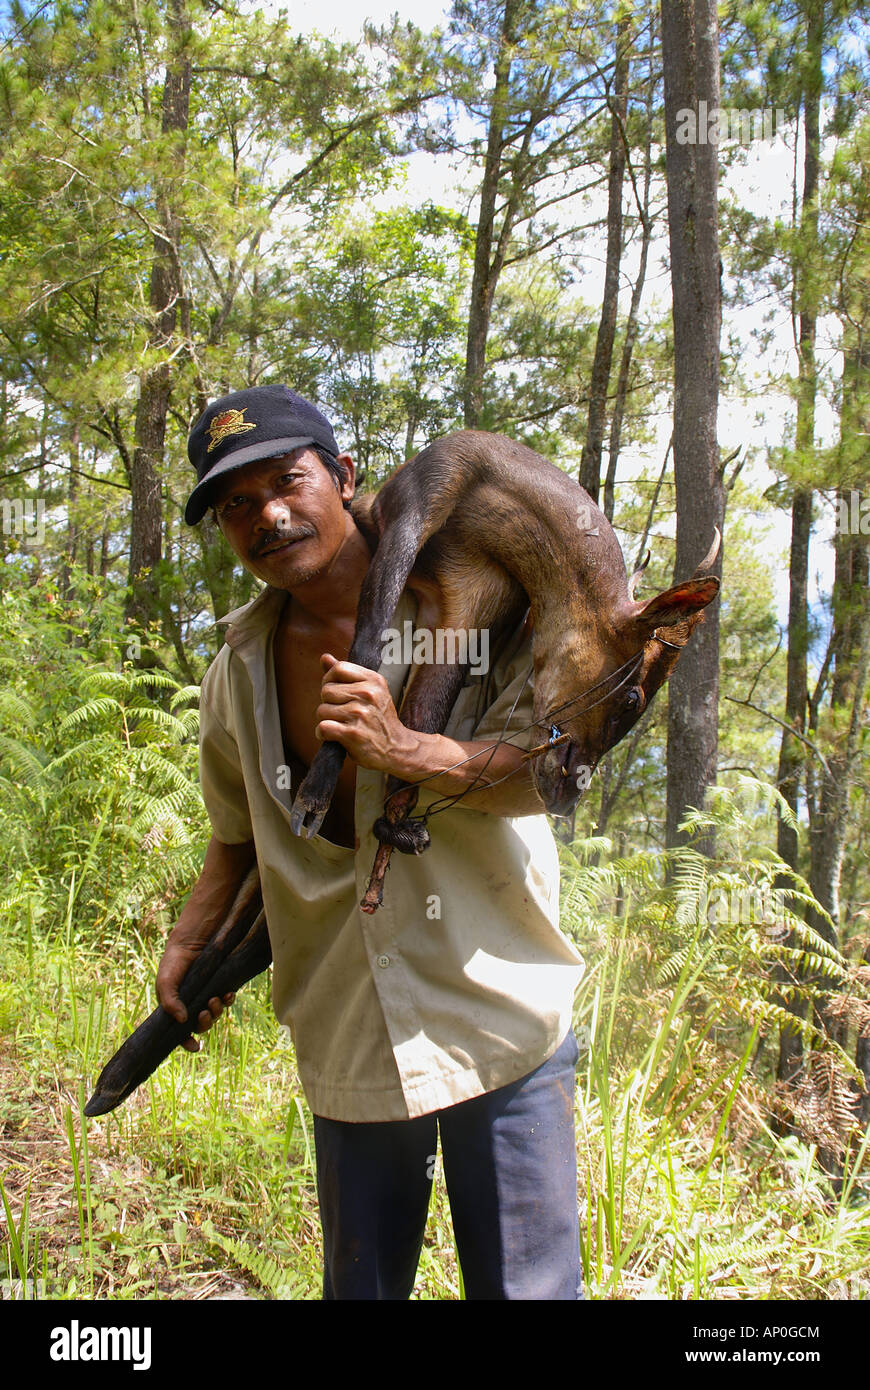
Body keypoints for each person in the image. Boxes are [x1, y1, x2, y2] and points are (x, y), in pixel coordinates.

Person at [156, 384, 586, 1300]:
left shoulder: (477, 600)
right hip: (349, 1025)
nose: (268, 515)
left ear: (344, 477)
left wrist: (409, 750)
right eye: (237, 506)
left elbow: (548, 768)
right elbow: (236, 836)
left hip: (496, 1014)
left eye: (287, 480)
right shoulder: (235, 665)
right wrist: (192, 939)